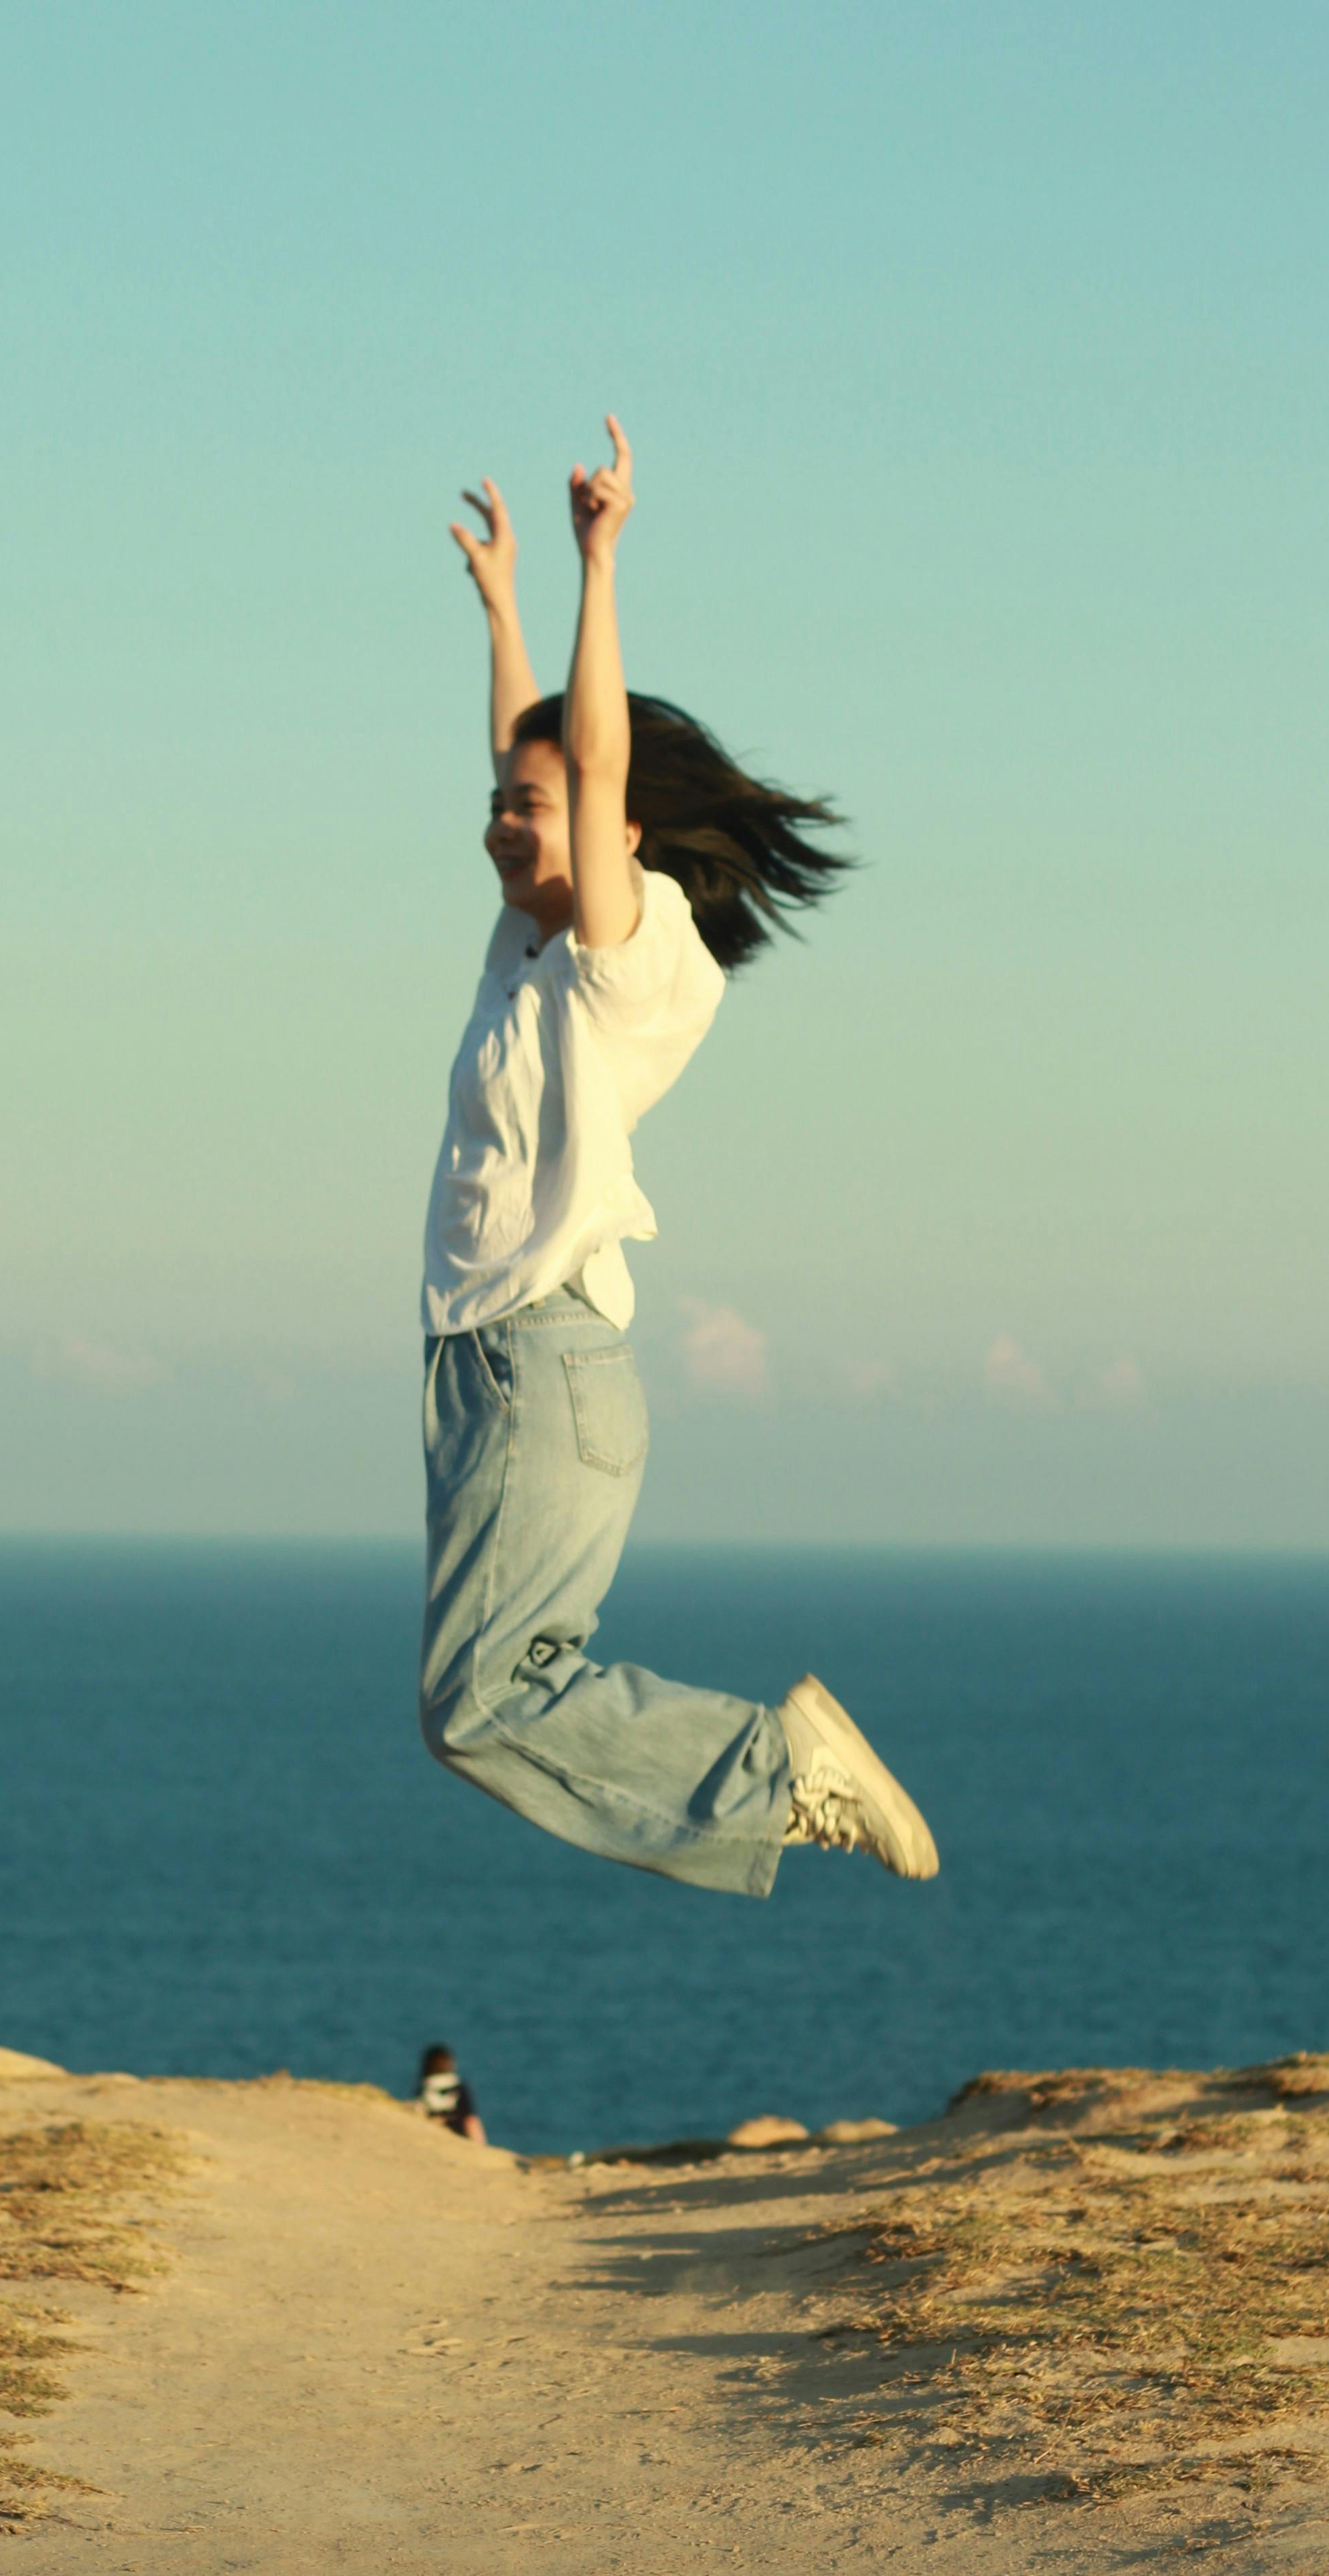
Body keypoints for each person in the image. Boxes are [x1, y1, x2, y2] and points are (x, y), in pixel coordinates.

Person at [420, 419, 940, 1899]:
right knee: (467, 1708)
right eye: (497, 809)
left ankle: (782, 1774)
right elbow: (540, 748)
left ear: (621, 827)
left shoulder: (624, 954)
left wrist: (598, 566)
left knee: (481, 1703)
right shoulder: (533, 939)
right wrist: (503, 604)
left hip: (542, 1365)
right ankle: (775, 1779)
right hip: (482, 1368)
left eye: (526, 812)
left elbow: (581, 754)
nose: (495, 828)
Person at [415, 2043, 487, 2145]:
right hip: (460, 2137)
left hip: (433, 2136)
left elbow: (420, 2112)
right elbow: (471, 2120)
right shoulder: (459, 2086)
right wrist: (480, 2146)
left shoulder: (425, 2087)